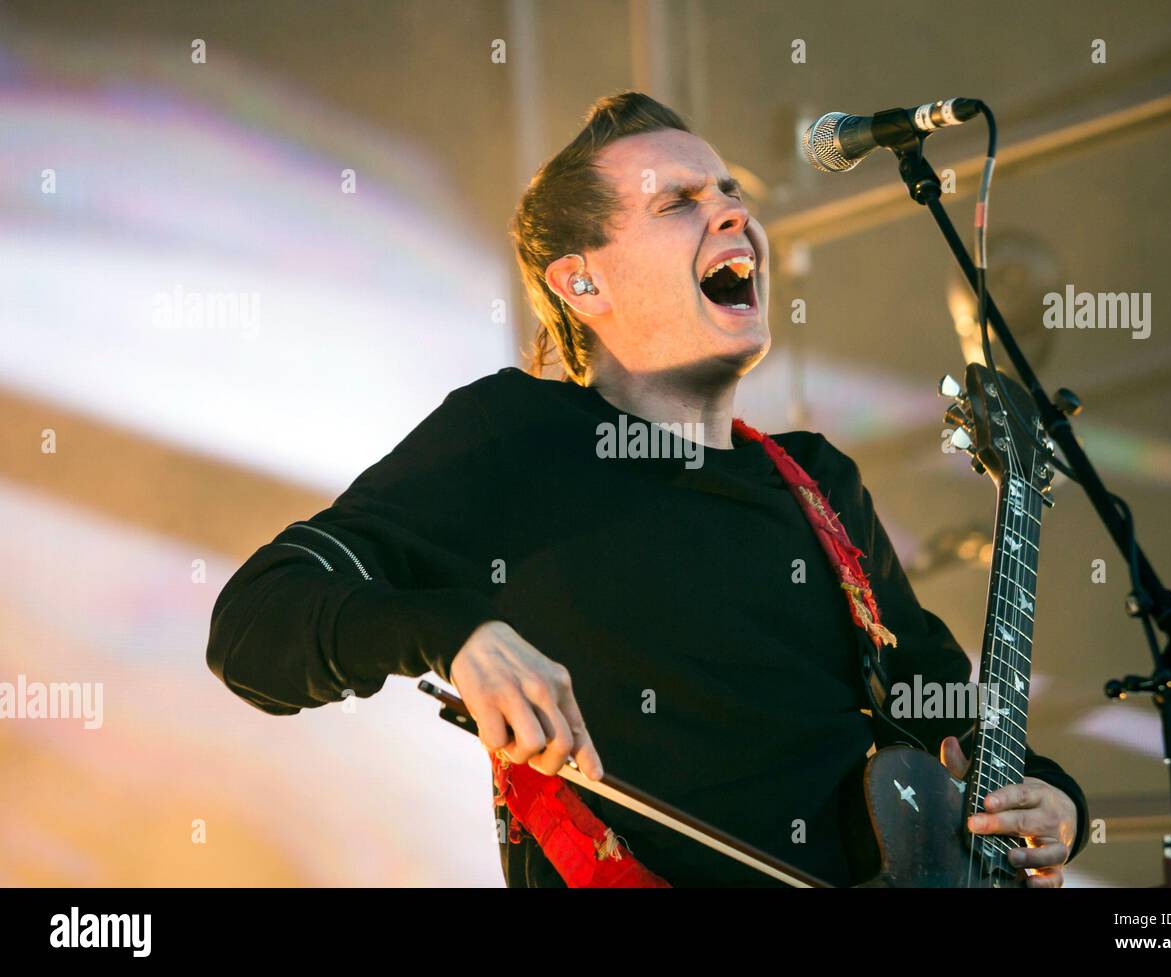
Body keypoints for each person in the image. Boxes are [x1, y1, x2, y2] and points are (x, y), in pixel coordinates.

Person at [206, 91, 1087, 888]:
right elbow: (254, 622)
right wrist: (454, 633)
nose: (733, 213)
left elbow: (939, 707)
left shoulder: (818, 479)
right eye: (680, 202)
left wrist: (1056, 798)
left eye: (732, 193)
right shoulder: (514, 435)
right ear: (580, 281)